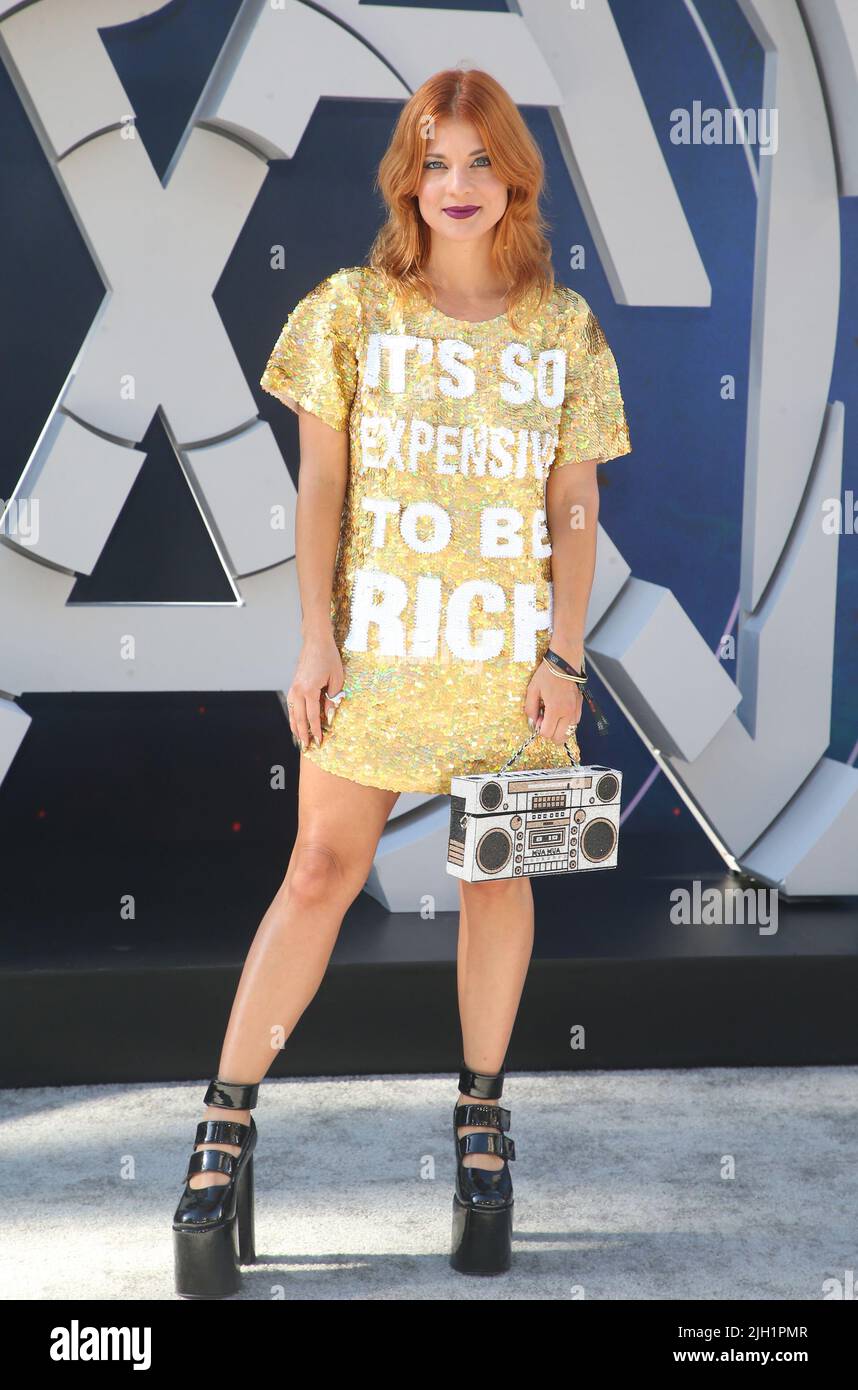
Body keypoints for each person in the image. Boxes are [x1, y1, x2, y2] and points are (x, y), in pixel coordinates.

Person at [172, 66, 632, 1298]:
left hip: (508, 664)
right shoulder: (349, 313)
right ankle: (226, 1121)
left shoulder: (565, 329)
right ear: (408, 178)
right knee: (318, 873)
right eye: (438, 162)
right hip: (376, 648)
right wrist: (312, 639)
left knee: (495, 883)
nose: (461, 185)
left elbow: (574, 506)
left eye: (484, 162)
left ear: (516, 178)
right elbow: (319, 494)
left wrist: (564, 653)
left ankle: (481, 1116)